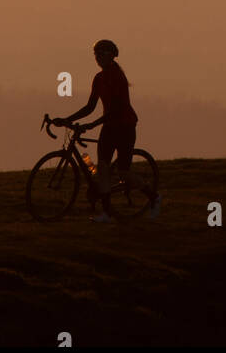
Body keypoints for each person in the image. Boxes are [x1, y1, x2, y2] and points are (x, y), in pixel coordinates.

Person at [52, 39, 160, 222]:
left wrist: (93, 125)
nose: (98, 58)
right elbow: (90, 106)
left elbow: (116, 109)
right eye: (96, 54)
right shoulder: (99, 78)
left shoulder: (117, 77)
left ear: (111, 56)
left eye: (101, 54)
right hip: (109, 128)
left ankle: (154, 197)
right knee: (102, 168)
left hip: (124, 127)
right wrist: (67, 120)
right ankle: (107, 213)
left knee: (124, 172)